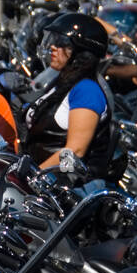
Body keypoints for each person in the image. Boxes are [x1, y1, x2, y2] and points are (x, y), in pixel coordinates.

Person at [23, 12, 114, 177]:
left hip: (66, 191)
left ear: (81, 53)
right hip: (42, 181)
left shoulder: (87, 90)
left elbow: (75, 152)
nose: (53, 47)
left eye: (62, 43)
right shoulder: (61, 83)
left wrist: (34, 177)